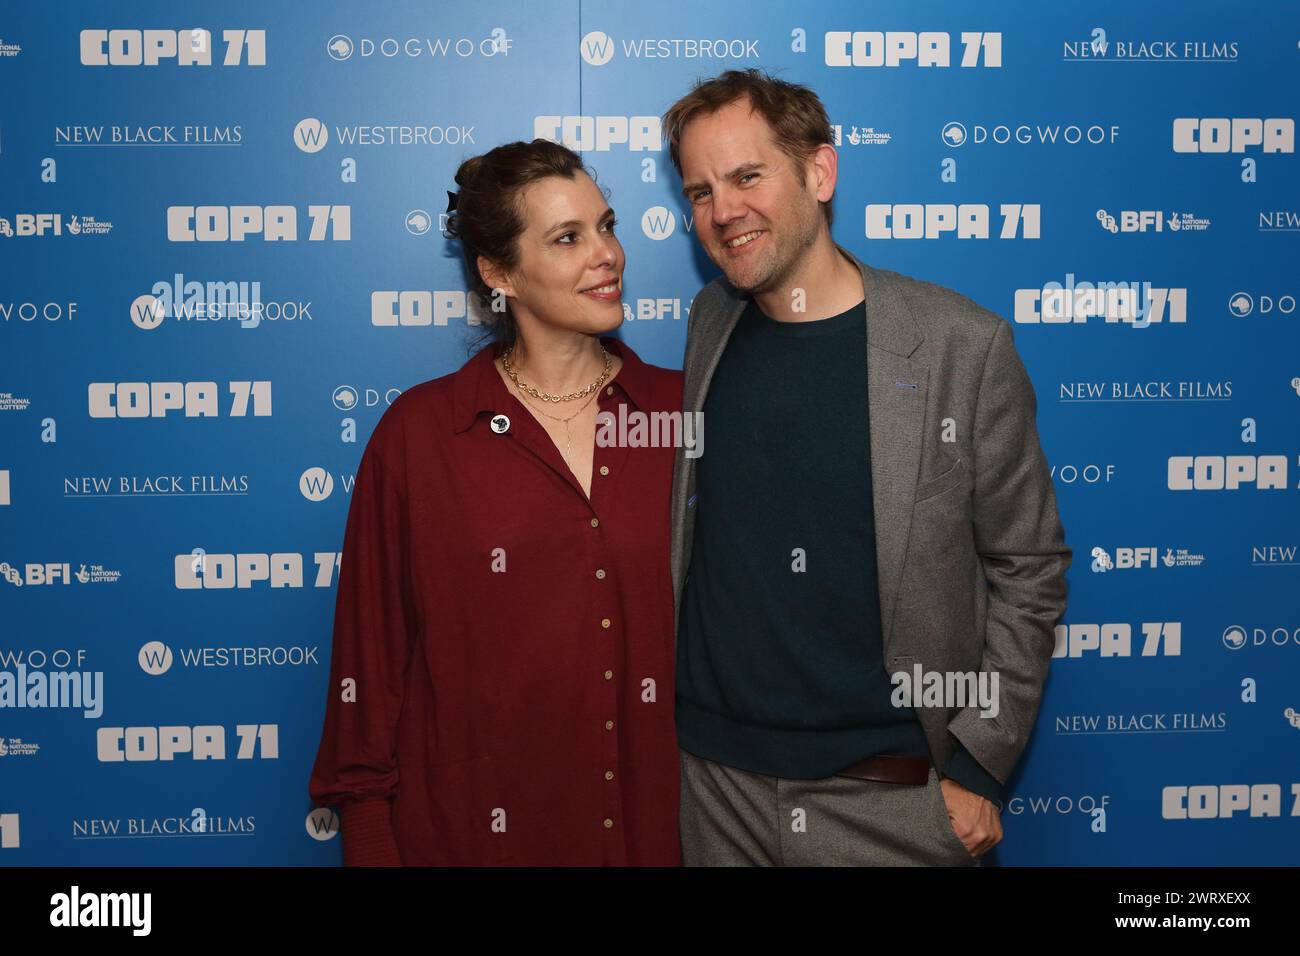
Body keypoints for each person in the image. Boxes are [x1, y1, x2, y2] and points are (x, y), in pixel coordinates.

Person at [661, 69, 1072, 866]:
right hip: (715, 791)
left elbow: (1030, 567)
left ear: (820, 171)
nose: (723, 211)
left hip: (894, 798)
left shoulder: (961, 343)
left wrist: (980, 758)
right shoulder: (710, 321)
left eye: (748, 176)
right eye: (700, 191)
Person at [308, 138, 683, 866]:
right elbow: (371, 659)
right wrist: (370, 838)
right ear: (497, 271)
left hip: (660, 836)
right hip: (473, 840)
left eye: (607, 226)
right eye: (568, 238)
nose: (605, 254)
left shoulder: (681, 413)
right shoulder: (420, 435)